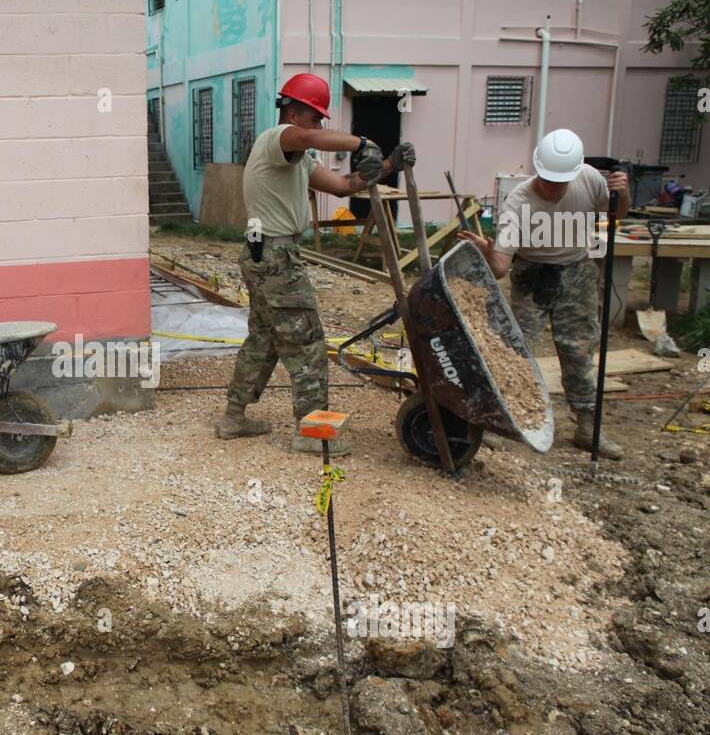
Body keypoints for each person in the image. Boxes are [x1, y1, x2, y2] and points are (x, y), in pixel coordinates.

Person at [217, 73, 415, 454]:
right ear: (293, 113)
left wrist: (387, 164)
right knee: (307, 342)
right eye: (315, 117)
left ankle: (234, 417)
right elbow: (306, 138)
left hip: (265, 255)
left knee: (264, 338)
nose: (319, 126)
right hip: (276, 258)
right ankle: (310, 432)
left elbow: (343, 186)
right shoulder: (279, 139)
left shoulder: (297, 159)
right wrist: (364, 141)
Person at [457, 128, 629, 458]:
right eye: (547, 179)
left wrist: (624, 193)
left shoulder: (590, 179)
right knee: (518, 350)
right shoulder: (518, 203)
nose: (552, 187)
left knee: (578, 348)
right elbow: (501, 269)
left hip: (578, 270)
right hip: (532, 273)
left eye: (559, 181)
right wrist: (488, 253)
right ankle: (505, 420)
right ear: (537, 169)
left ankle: (588, 427)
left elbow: (616, 213)